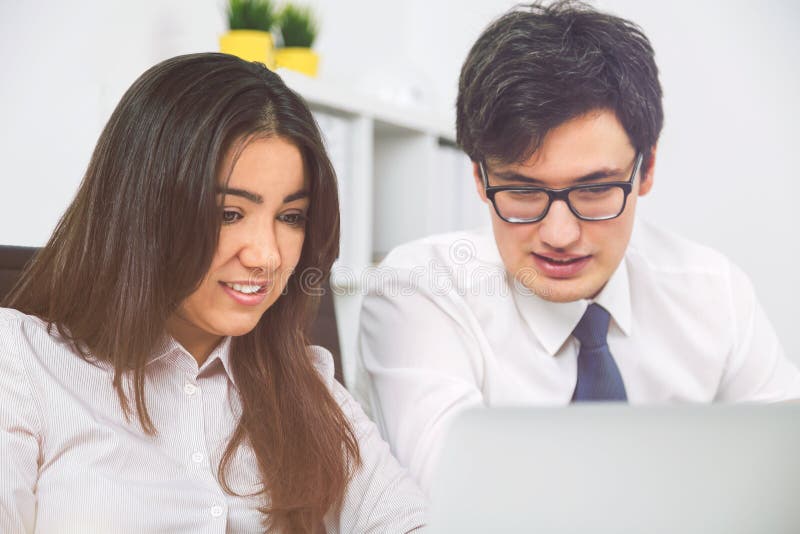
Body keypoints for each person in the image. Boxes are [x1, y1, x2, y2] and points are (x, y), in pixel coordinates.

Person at [357, 1, 800, 492]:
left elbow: (784, 476)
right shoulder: (420, 292)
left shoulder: (715, 292)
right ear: (480, 180)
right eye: (523, 192)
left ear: (646, 170)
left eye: (594, 190)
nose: (560, 235)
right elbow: (463, 505)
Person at [0, 53, 425, 533]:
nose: (266, 256)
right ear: (144, 208)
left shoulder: (308, 388)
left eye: (291, 217)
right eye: (229, 214)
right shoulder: (21, 364)